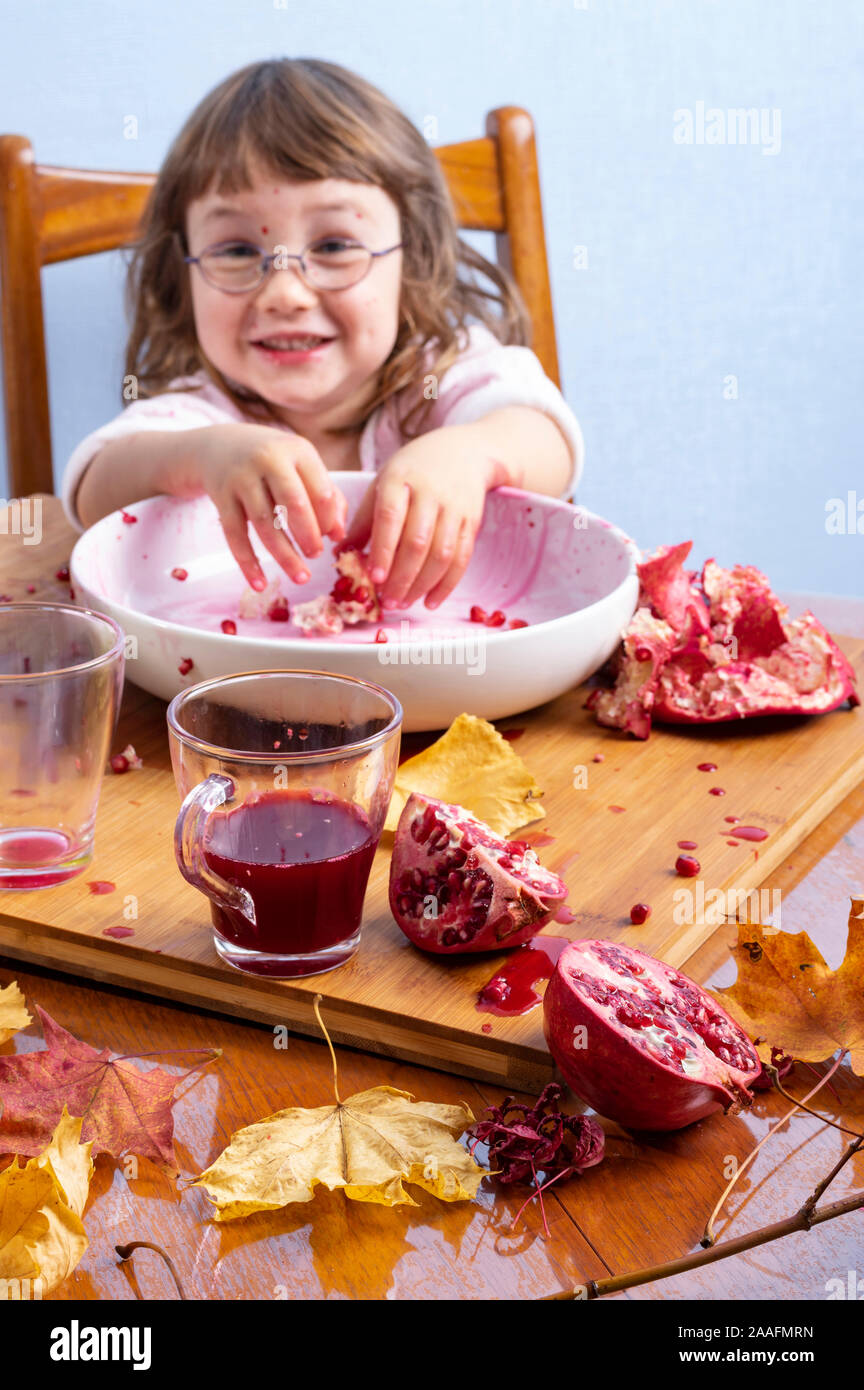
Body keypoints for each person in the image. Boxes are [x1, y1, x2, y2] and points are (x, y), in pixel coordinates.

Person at [63, 58, 583, 611]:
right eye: (237, 251)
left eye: (334, 246)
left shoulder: (444, 373)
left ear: (411, 259)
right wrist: (201, 456)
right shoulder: (203, 414)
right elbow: (96, 487)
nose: (285, 292)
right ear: (183, 272)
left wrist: (472, 452)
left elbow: (545, 434)